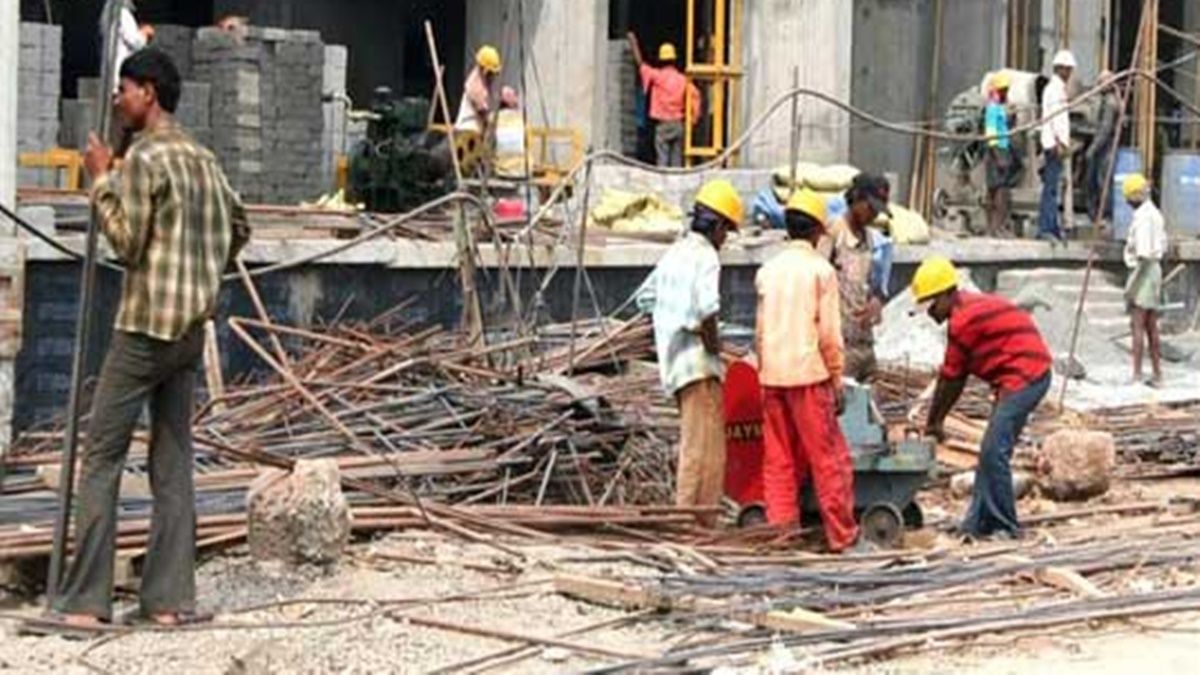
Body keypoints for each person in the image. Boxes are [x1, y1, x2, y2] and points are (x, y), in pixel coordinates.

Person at [53, 48, 250, 628]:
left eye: (125, 89)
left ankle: (86, 604)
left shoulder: (144, 158)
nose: (117, 99)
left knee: (102, 458)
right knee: (173, 463)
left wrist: (100, 181)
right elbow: (239, 227)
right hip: (190, 331)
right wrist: (200, 270)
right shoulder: (204, 160)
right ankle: (167, 602)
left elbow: (126, 242)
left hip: (144, 329)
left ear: (150, 94)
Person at [912, 257, 1052, 540]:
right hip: (1019, 375)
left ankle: (1006, 526)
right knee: (990, 452)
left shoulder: (963, 321)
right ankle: (977, 522)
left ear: (947, 294)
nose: (929, 313)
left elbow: (952, 378)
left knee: (994, 452)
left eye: (931, 304)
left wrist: (934, 423)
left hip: (1027, 375)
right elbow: (954, 376)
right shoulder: (966, 308)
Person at [756, 189, 863, 553]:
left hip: (772, 376)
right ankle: (842, 537)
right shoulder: (821, 272)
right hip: (808, 377)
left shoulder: (768, 272)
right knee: (829, 460)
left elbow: (759, 332)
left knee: (779, 462)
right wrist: (836, 379)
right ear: (819, 231)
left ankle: (783, 535)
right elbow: (830, 335)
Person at [636, 180, 743, 523]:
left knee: (697, 444)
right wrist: (713, 345)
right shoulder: (706, 257)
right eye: (727, 231)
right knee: (705, 450)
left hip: (674, 364)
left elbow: (644, 299)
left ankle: (694, 518)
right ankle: (693, 520)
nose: (725, 240)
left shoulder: (675, 253)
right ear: (718, 226)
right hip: (698, 365)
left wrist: (669, 321)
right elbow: (708, 308)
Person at [818, 173, 894, 382]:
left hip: (864, 343)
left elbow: (875, 284)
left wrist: (877, 300)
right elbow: (815, 282)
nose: (873, 216)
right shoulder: (833, 233)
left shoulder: (870, 239)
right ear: (857, 198)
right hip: (840, 345)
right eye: (870, 208)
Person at [627, 33, 701, 167]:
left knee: (662, 160)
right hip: (678, 124)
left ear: (660, 60)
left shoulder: (658, 77)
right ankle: (677, 184)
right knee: (677, 160)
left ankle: (664, 186)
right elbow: (695, 96)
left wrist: (634, 44)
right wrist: (692, 119)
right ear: (674, 60)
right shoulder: (683, 80)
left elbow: (641, 65)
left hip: (663, 125)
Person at [1122, 173, 1167, 386]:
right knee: (1151, 326)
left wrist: (1131, 286)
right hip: (1154, 270)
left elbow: (1143, 254)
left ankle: (1137, 374)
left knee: (1138, 325)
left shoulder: (1143, 217)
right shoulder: (1155, 213)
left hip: (1144, 271)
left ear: (1135, 195)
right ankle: (1157, 374)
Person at [1037, 49, 1075, 243]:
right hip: (1054, 143)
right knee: (1051, 187)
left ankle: (1051, 226)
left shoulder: (1055, 89)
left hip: (1053, 142)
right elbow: (1057, 118)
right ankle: (1046, 228)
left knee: (1053, 187)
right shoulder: (1055, 90)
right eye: (1068, 69)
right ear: (1061, 69)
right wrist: (1061, 142)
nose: (1070, 74)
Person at [984, 71, 1019, 237]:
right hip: (996, 150)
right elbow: (991, 133)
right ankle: (995, 227)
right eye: (1005, 90)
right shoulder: (992, 108)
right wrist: (998, 156)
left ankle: (996, 227)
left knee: (999, 189)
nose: (1007, 93)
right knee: (998, 190)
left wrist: (1012, 116)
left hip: (1003, 148)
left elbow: (1006, 127)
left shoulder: (999, 108)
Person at [1086, 70, 1120, 222]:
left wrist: (1092, 149)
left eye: (1101, 82)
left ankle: (1104, 215)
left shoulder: (1110, 103)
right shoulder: (1105, 99)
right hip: (1104, 145)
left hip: (1106, 147)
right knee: (1097, 180)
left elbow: (1105, 129)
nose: (1099, 85)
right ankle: (1099, 215)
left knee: (1102, 181)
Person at [456, 45, 502, 135]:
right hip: (467, 132)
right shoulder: (476, 85)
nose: (493, 77)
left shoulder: (483, 82)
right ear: (484, 70)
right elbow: (484, 114)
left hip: (475, 131)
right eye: (491, 73)